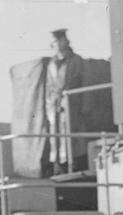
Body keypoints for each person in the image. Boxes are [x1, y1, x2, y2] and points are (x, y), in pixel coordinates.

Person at [43, 29, 87, 175]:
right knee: (56, 139)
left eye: (56, 41)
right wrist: (49, 107)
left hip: (72, 106)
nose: (54, 45)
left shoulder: (76, 60)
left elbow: (83, 84)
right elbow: (49, 87)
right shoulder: (52, 63)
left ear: (64, 42)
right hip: (55, 108)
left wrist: (82, 106)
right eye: (53, 42)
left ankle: (74, 165)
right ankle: (60, 168)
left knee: (73, 140)